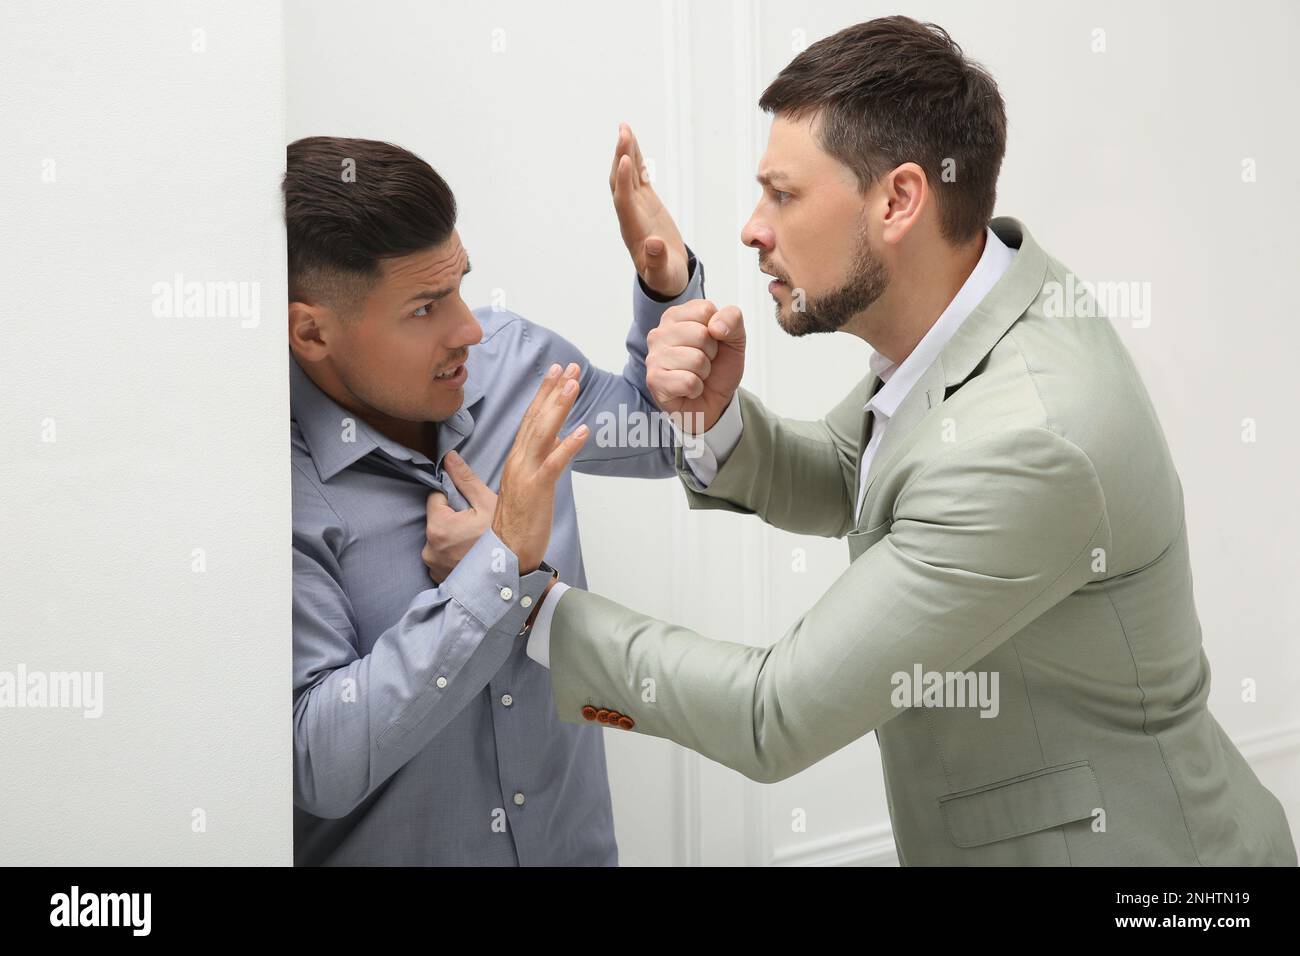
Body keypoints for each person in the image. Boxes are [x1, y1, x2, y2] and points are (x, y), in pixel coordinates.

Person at [470, 16, 1297, 865]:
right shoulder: (981, 303)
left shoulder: (1028, 440)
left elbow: (772, 716)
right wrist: (714, 415)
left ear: (900, 199)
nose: (752, 229)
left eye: (782, 195)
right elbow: (850, 475)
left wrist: (527, 599)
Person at [287, 127, 701, 865]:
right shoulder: (273, 490)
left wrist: (667, 291)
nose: (469, 327)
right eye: (424, 308)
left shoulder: (515, 363)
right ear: (312, 333)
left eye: (461, 286)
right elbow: (320, 761)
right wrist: (501, 564)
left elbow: (672, 439)